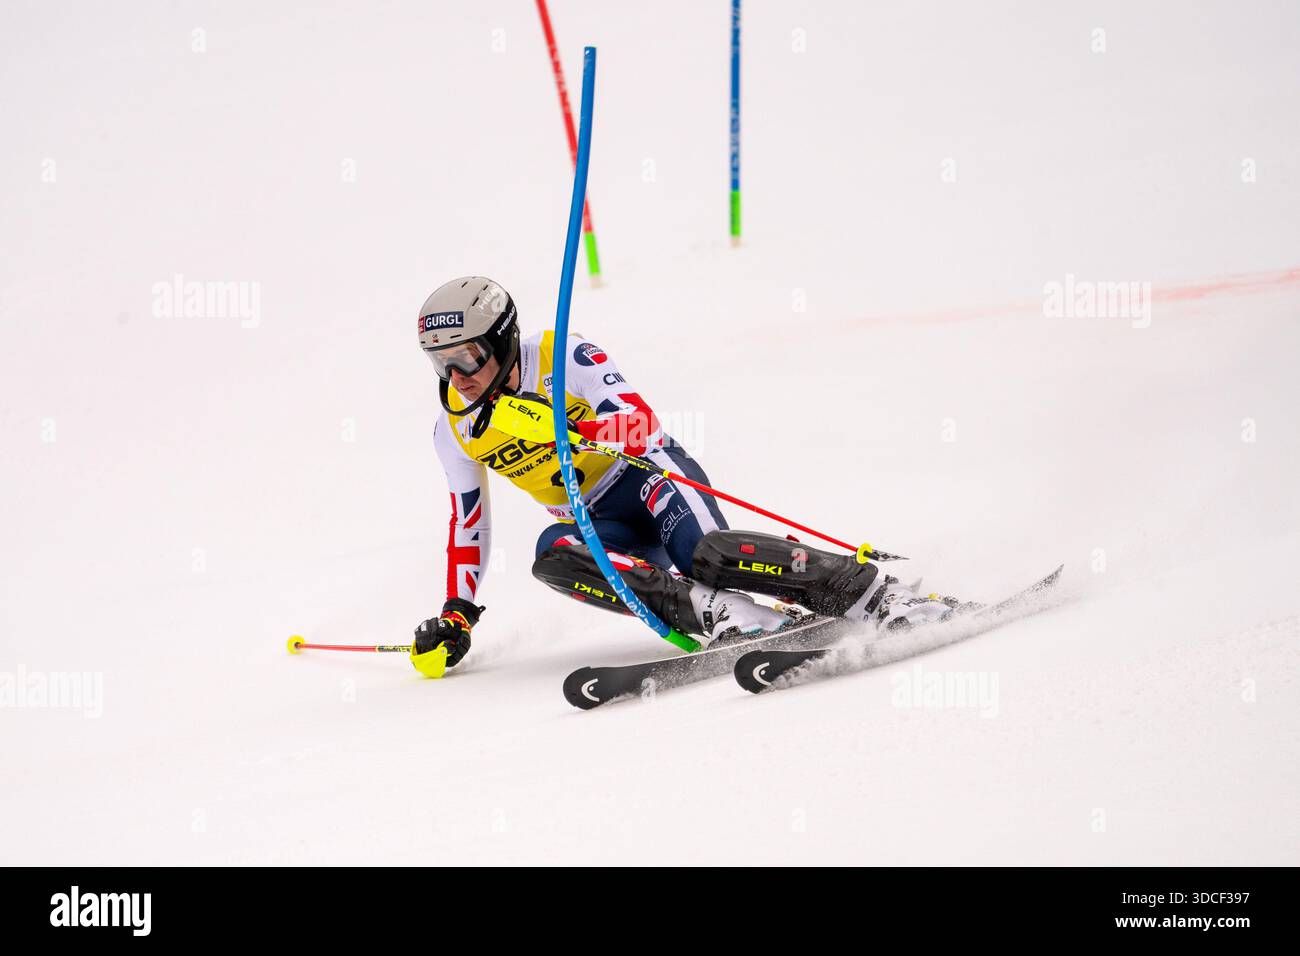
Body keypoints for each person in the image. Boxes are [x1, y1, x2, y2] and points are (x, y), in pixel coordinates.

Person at [410, 276, 958, 675]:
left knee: (705, 554)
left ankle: (872, 594)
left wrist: (560, 428)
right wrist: (457, 613)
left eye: (467, 357)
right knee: (552, 553)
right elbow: (469, 524)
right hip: (601, 523)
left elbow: (641, 424)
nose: (458, 378)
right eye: (442, 365)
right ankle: (729, 615)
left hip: (649, 479)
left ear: (504, 340)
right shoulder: (454, 430)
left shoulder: (562, 354)